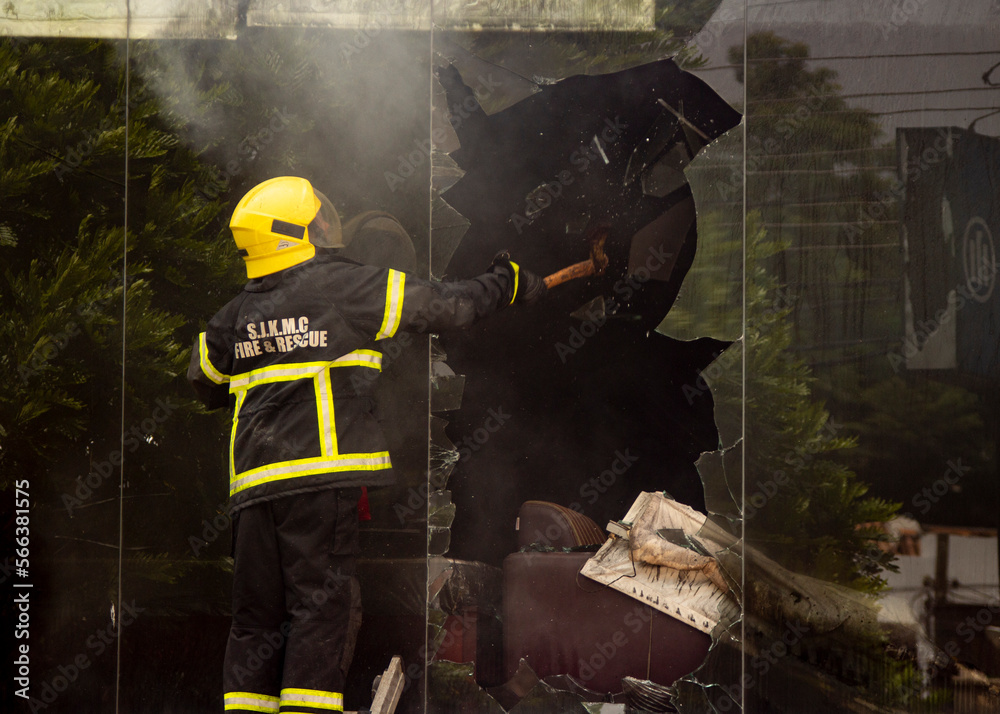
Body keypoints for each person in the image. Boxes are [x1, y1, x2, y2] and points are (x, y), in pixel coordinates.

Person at [187, 176, 544, 714]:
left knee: (255, 622)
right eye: (317, 220)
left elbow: (201, 380)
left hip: (253, 494)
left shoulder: (233, 316)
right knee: (319, 610)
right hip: (317, 482)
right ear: (296, 233)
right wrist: (507, 283)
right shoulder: (342, 286)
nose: (328, 225)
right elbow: (445, 306)